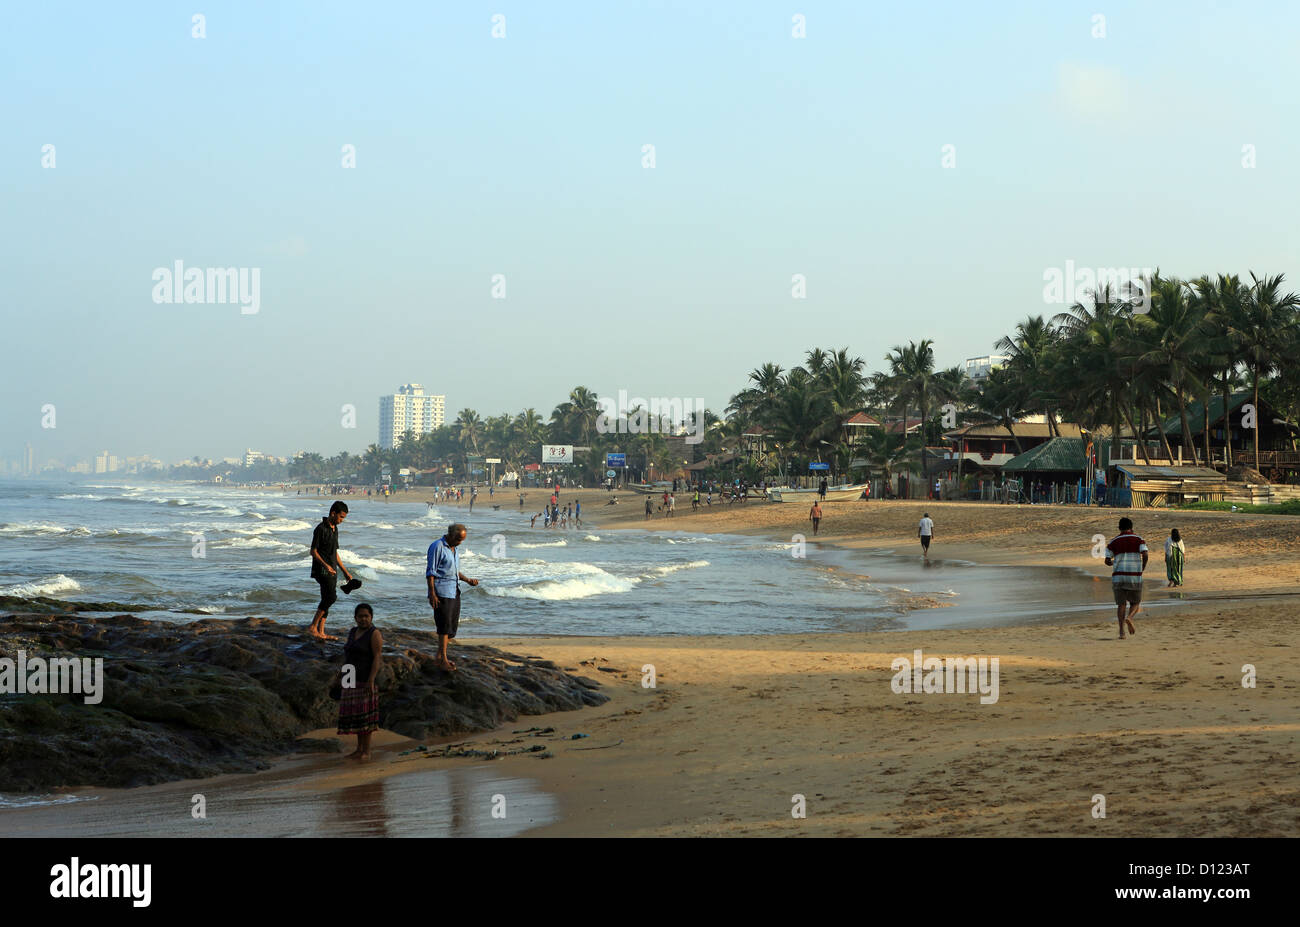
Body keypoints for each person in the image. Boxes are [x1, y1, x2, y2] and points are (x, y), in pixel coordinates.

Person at [426, 523, 479, 671]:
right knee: (443, 626)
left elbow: (454, 571)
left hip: (454, 590)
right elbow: (430, 572)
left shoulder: (455, 549)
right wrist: (432, 593)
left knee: (452, 628)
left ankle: (438, 655)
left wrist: (468, 580)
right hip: (441, 591)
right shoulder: (437, 546)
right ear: (450, 535)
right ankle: (443, 659)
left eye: (462, 540)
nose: (460, 542)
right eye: (458, 539)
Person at [337, 602, 382, 761]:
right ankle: (358, 749)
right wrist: (340, 676)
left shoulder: (374, 633)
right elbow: (348, 655)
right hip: (349, 677)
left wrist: (371, 679)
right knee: (355, 714)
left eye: (366, 616)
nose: (363, 619)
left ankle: (367, 751)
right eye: (360, 616)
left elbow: (377, 657)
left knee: (365, 717)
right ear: (355, 618)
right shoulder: (352, 631)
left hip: (365, 679)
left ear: (371, 617)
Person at [308, 502, 353, 640]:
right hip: (321, 570)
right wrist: (325, 565)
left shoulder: (335, 529)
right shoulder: (320, 529)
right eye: (341, 517)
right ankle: (312, 627)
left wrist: (345, 571)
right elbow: (313, 551)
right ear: (333, 513)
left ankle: (321, 632)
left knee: (325, 598)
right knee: (331, 597)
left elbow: (335, 553)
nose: (342, 520)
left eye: (344, 518)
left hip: (332, 569)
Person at [1105, 517, 1148, 640]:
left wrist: (1111, 562)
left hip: (1118, 576)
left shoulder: (1113, 542)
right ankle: (1130, 618)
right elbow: (1145, 553)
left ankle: (1121, 632)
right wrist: (1142, 566)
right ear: (1132, 527)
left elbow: (1107, 560)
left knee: (1121, 604)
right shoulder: (1139, 539)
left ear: (1119, 528)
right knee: (1136, 602)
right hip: (1134, 576)